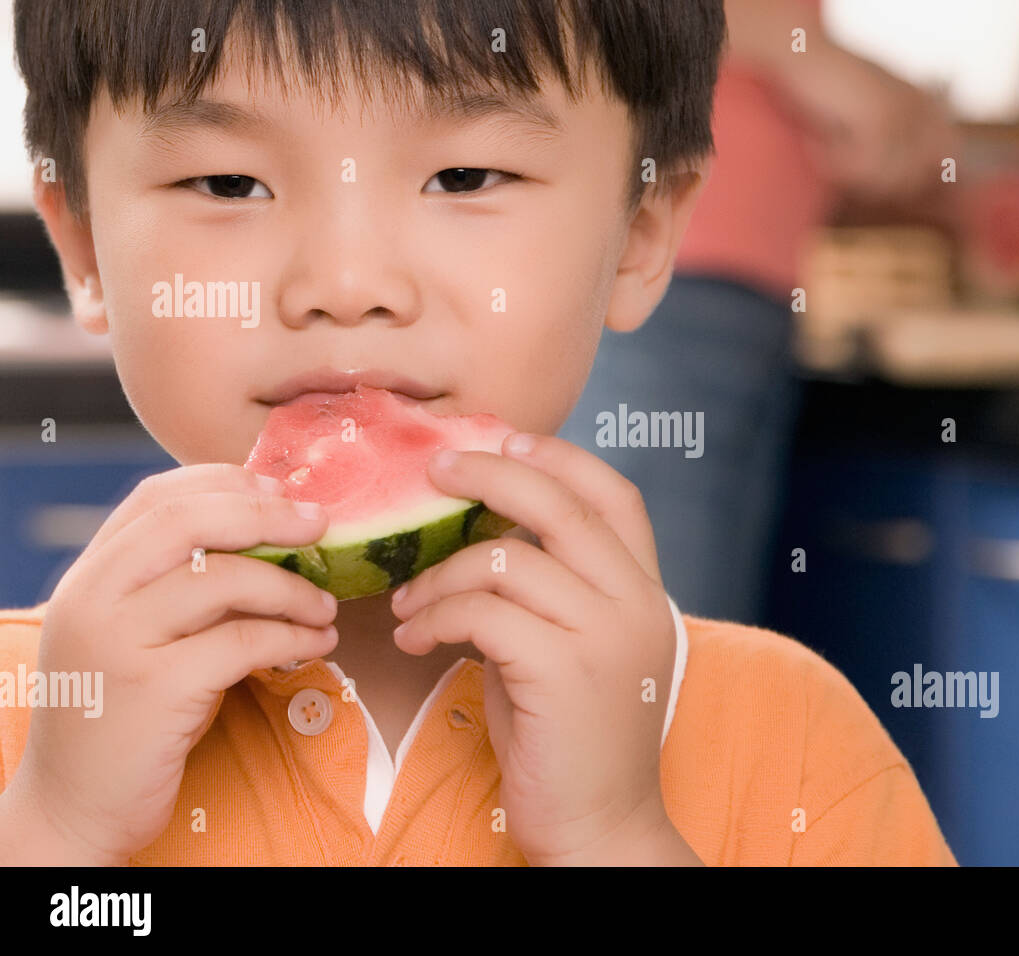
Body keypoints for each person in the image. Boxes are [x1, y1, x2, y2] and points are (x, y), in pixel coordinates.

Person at [0, 0, 955, 867]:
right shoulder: (22, 721)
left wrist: (612, 837)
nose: (346, 283)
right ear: (84, 247)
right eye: (228, 182)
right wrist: (57, 828)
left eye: (462, 175)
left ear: (642, 233)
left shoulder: (794, 743)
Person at [561, 0, 957, 624]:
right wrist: (801, 50)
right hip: (661, 289)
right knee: (659, 665)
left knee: (699, 658)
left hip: (734, 298)